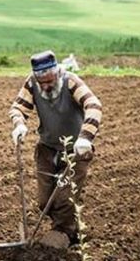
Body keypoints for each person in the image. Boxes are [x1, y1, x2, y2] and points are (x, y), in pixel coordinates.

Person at [9, 50, 102, 246]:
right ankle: (72, 230)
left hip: (76, 151)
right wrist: (19, 124)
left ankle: (63, 233)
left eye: (49, 81)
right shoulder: (32, 83)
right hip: (47, 148)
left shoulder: (71, 82)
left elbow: (93, 104)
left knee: (64, 199)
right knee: (45, 201)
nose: (46, 86)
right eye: (41, 82)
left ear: (57, 73)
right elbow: (18, 107)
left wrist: (85, 137)